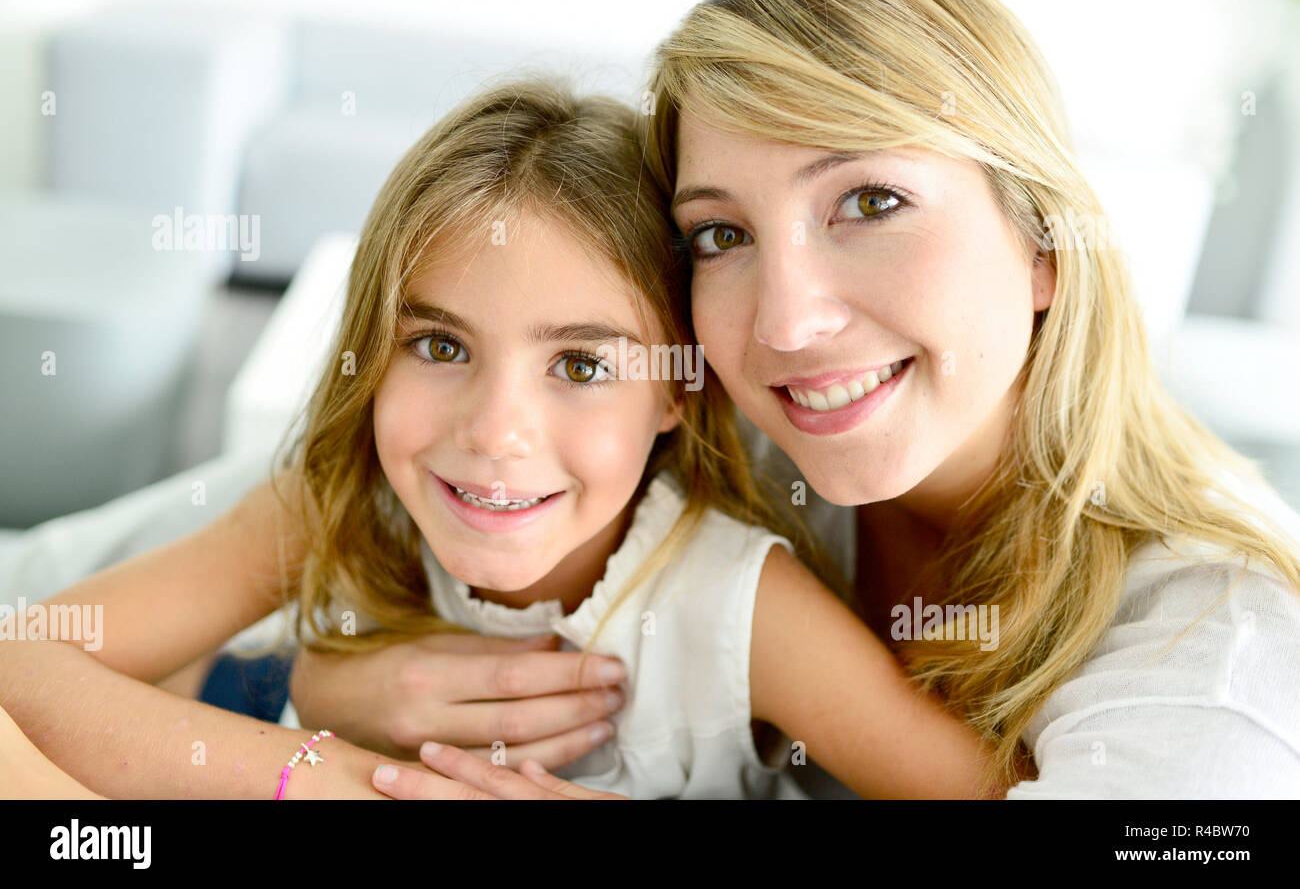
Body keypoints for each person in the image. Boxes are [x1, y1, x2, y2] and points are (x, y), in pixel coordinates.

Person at [312, 0, 1300, 799]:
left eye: (868, 202)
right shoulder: (706, 420)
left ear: (1042, 239)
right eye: (720, 233)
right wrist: (322, 683)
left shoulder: (1225, 653)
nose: (785, 324)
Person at [0, 76, 1014, 799]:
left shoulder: (734, 604)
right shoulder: (343, 502)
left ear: (677, 389)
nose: (493, 430)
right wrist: (329, 774)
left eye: (580, 365)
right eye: (440, 344)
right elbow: (24, 658)